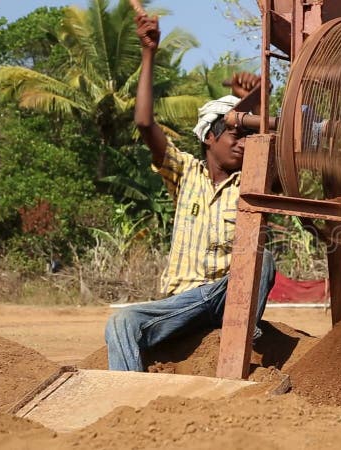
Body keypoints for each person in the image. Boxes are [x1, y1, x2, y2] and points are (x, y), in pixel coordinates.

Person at [104, 13, 275, 371]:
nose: (243, 144)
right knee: (123, 321)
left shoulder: (254, 182)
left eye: (249, 135)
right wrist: (148, 53)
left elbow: (282, 145)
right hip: (181, 304)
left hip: (226, 296)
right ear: (209, 137)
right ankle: (127, 400)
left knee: (265, 260)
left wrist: (259, 103)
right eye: (236, 134)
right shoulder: (184, 173)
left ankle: (242, 330)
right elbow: (144, 123)